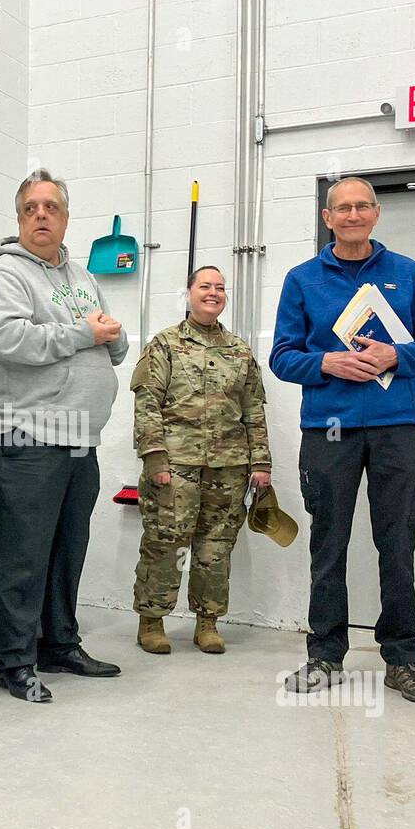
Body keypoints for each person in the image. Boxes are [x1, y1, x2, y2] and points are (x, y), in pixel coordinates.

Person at [269, 176, 415, 704]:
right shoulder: (302, 279)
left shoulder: (406, 273)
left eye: (361, 206)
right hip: (328, 431)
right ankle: (324, 654)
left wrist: (398, 355)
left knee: (397, 543)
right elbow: (282, 356)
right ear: (327, 218)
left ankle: (402, 658)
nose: (351, 214)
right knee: (329, 545)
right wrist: (325, 362)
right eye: (341, 208)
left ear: (376, 213)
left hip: (397, 427)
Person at [0, 169, 129, 702]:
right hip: (28, 434)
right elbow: (10, 339)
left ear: (65, 218)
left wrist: (110, 336)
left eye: (51, 207)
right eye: (31, 208)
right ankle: (15, 661)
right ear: (20, 218)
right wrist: (88, 333)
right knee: (23, 555)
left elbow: (115, 340)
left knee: (68, 549)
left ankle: (59, 644)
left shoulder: (83, 277)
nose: (42, 215)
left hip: (78, 436)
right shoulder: (5, 275)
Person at [130, 266, 272, 654]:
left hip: (229, 467)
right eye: (205, 286)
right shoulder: (165, 344)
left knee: (216, 545)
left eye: (220, 287)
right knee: (165, 542)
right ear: (189, 293)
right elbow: (146, 404)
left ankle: (207, 622)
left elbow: (253, 410)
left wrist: (261, 462)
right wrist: (155, 458)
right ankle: (152, 621)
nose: (214, 293)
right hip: (175, 465)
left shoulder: (239, 350)